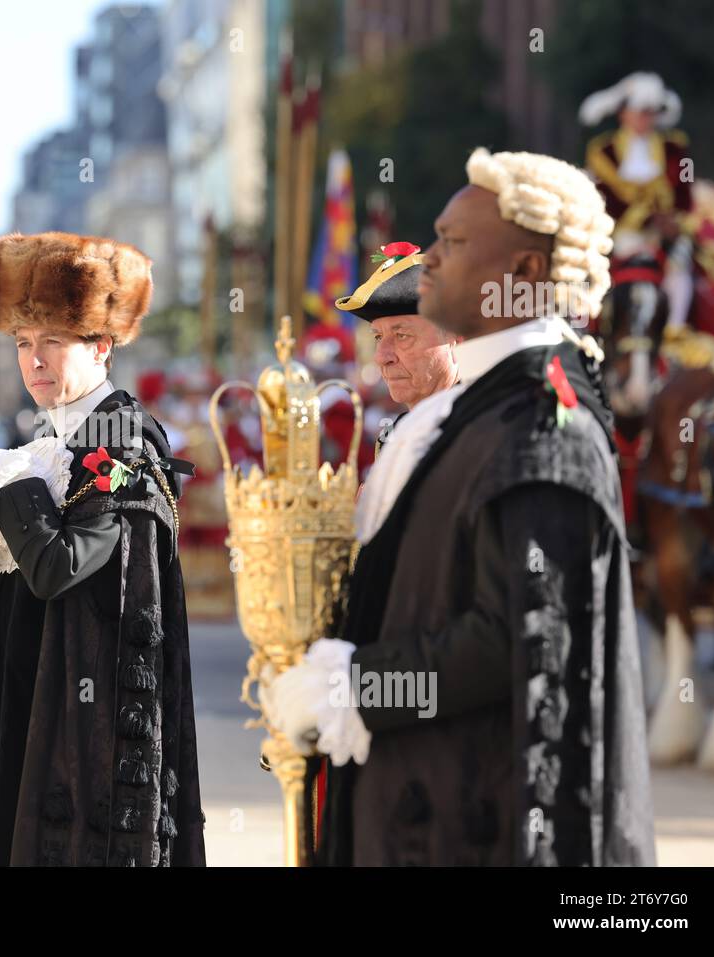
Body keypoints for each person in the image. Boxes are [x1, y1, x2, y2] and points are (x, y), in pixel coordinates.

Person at [260, 149, 655, 865]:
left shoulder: (543, 420)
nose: (431, 259)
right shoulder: (482, 409)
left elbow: (524, 641)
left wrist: (358, 688)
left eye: (455, 242)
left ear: (526, 273)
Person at [0, 231, 205, 866]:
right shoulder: (45, 439)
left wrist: (13, 491)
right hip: (31, 701)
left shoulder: (120, 439)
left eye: (53, 343)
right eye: (24, 344)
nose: (35, 361)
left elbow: (56, 569)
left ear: (102, 347)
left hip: (88, 727)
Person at [580, 71, 693, 328]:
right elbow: (602, 199)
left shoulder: (674, 148)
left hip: (665, 234)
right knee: (593, 273)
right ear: (623, 114)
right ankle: (600, 330)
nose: (646, 118)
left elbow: (684, 194)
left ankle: (675, 331)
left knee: (682, 271)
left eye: (651, 112)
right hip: (619, 232)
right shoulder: (604, 152)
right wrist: (642, 218)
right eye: (641, 111)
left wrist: (672, 222)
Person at [334, 245, 461, 453]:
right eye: (378, 336)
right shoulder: (396, 433)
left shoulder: (483, 430)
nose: (381, 357)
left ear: (456, 339)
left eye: (402, 336)